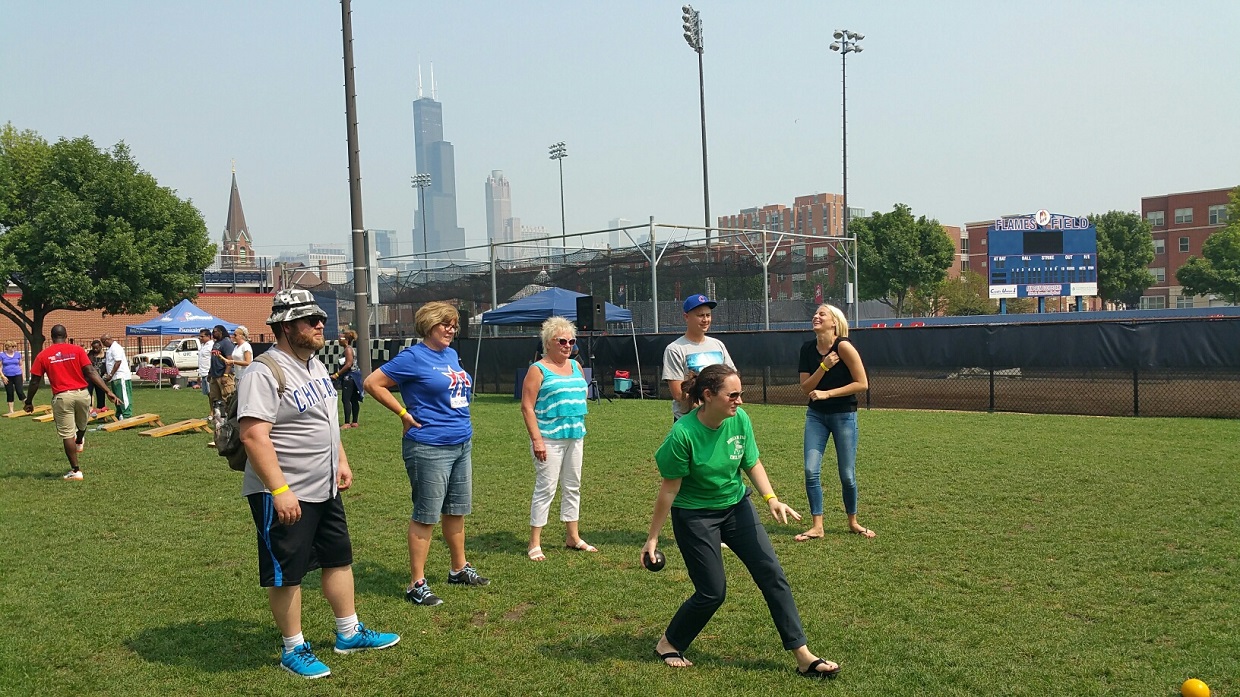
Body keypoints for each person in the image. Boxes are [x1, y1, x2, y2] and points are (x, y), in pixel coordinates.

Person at [641, 364, 841, 679]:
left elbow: (751, 461)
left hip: (736, 507)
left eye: (741, 394)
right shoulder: (683, 435)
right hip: (695, 516)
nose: (740, 401)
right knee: (712, 592)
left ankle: (803, 656)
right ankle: (669, 642)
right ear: (708, 396)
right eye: (733, 395)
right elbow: (669, 490)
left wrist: (771, 499)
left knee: (772, 574)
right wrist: (652, 538)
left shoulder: (740, 421)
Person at [238, 289, 399, 679]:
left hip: (323, 486)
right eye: (311, 321)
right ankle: (293, 648)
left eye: (320, 319)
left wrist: (341, 461)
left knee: (338, 558)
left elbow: (327, 422)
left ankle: (349, 632)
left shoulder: (314, 367)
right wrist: (279, 490)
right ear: (286, 326)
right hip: (283, 491)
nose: (320, 325)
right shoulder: (264, 371)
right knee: (288, 572)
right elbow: (253, 436)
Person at [362, 301, 489, 607]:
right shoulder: (413, 357)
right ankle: (416, 583)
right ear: (428, 324)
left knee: (456, 509)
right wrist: (403, 414)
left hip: (461, 442)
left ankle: (459, 568)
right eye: (445, 323)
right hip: (428, 446)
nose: (451, 329)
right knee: (426, 514)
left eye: (454, 325)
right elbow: (371, 383)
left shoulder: (449, 354)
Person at [796, 303, 874, 541]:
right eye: (816, 313)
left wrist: (828, 394)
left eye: (822, 314)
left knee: (847, 475)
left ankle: (853, 521)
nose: (816, 316)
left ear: (834, 323)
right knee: (811, 470)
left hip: (844, 415)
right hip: (816, 416)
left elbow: (862, 384)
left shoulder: (844, 347)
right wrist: (823, 366)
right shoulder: (807, 349)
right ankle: (817, 526)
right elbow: (806, 387)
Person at [519, 316, 594, 562]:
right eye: (561, 340)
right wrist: (537, 440)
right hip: (548, 439)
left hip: (575, 436)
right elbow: (527, 407)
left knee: (573, 486)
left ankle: (572, 536)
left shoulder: (576, 367)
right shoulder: (537, 369)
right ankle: (534, 542)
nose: (567, 345)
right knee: (546, 488)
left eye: (571, 341)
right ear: (548, 343)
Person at [24, 325, 121, 480]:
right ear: (66, 335)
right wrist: (108, 391)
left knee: (67, 434)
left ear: (51, 337)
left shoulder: (43, 355)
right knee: (82, 424)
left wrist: (29, 401)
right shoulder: (78, 350)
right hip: (83, 394)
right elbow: (91, 371)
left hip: (63, 397)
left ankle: (76, 471)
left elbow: (35, 381)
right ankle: (80, 439)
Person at [662, 294, 735, 422]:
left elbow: (731, 378)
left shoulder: (718, 345)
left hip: (718, 420)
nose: (705, 319)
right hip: (689, 422)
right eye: (700, 315)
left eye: (708, 315)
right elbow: (678, 393)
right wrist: (708, 409)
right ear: (686, 317)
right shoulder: (675, 349)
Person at [207, 324, 237, 447]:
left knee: (228, 400)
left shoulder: (226, 343)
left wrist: (225, 375)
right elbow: (213, 359)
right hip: (214, 376)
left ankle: (231, 425)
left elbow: (229, 360)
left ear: (220, 332)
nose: (213, 333)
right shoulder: (216, 343)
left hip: (224, 376)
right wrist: (210, 373)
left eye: (215, 331)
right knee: (215, 400)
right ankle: (219, 425)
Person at [332, 330, 362, 429]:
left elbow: (348, 364)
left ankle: (347, 423)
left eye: (340, 338)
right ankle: (354, 422)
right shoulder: (349, 349)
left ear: (347, 340)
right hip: (354, 377)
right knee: (353, 399)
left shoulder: (348, 350)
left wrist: (337, 374)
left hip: (349, 377)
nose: (339, 340)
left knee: (346, 399)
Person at [100, 334, 133, 419]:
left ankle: (127, 415)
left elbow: (118, 362)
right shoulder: (110, 349)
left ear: (107, 340)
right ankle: (119, 413)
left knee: (123, 396)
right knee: (116, 396)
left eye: (103, 342)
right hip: (114, 378)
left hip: (120, 376)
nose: (103, 344)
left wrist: (110, 375)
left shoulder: (116, 348)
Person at [3, 339, 28, 414]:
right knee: (9, 392)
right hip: (7, 376)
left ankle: (27, 407)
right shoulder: (2, 355)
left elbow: (21, 365)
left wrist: (22, 375)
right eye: (12, 346)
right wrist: (2, 376)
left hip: (17, 375)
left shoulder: (17, 354)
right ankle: (11, 410)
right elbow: (0, 367)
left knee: (20, 391)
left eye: (15, 346)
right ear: (8, 347)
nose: (14, 348)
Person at [86, 340, 107, 414]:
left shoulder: (106, 355)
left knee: (101, 395)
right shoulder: (90, 355)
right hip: (90, 379)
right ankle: (89, 411)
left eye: (97, 348)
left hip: (100, 378)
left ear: (101, 346)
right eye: (94, 348)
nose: (95, 350)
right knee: (88, 394)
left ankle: (101, 410)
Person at [196, 328, 214, 411]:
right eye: (199, 336)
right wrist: (199, 374)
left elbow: (213, 360)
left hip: (208, 373)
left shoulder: (211, 346)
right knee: (208, 394)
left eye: (202, 336)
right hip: (203, 373)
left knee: (212, 394)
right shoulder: (203, 346)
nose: (200, 338)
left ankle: (215, 413)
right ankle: (212, 412)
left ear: (208, 336)